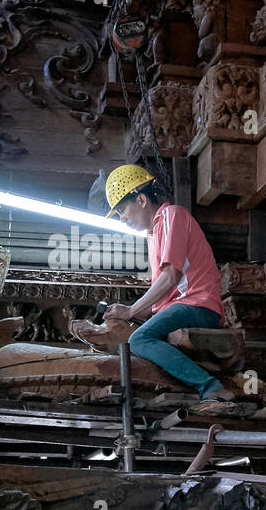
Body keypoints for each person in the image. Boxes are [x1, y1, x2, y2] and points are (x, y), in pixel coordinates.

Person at [103, 164, 253, 416]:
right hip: (180, 307)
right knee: (137, 335)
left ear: (141, 199)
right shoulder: (152, 235)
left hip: (198, 305)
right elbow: (159, 300)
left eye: (122, 210)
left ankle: (211, 388)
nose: (122, 218)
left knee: (139, 339)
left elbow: (171, 276)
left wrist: (130, 311)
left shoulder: (172, 215)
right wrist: (130, 314)